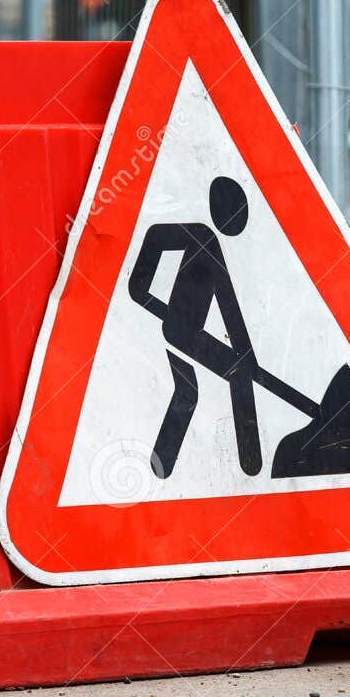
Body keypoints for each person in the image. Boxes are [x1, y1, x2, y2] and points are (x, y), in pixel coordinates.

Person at [127, 176, 261, 478]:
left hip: (182, 329)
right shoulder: (202, 236)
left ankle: (159, 469)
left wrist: (246, 354)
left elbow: (229, 307)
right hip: (181, 331)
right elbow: (229, 307)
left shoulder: (205, 236)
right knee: (234, 375)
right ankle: (251, 463)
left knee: (187, 392)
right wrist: (246, 358)